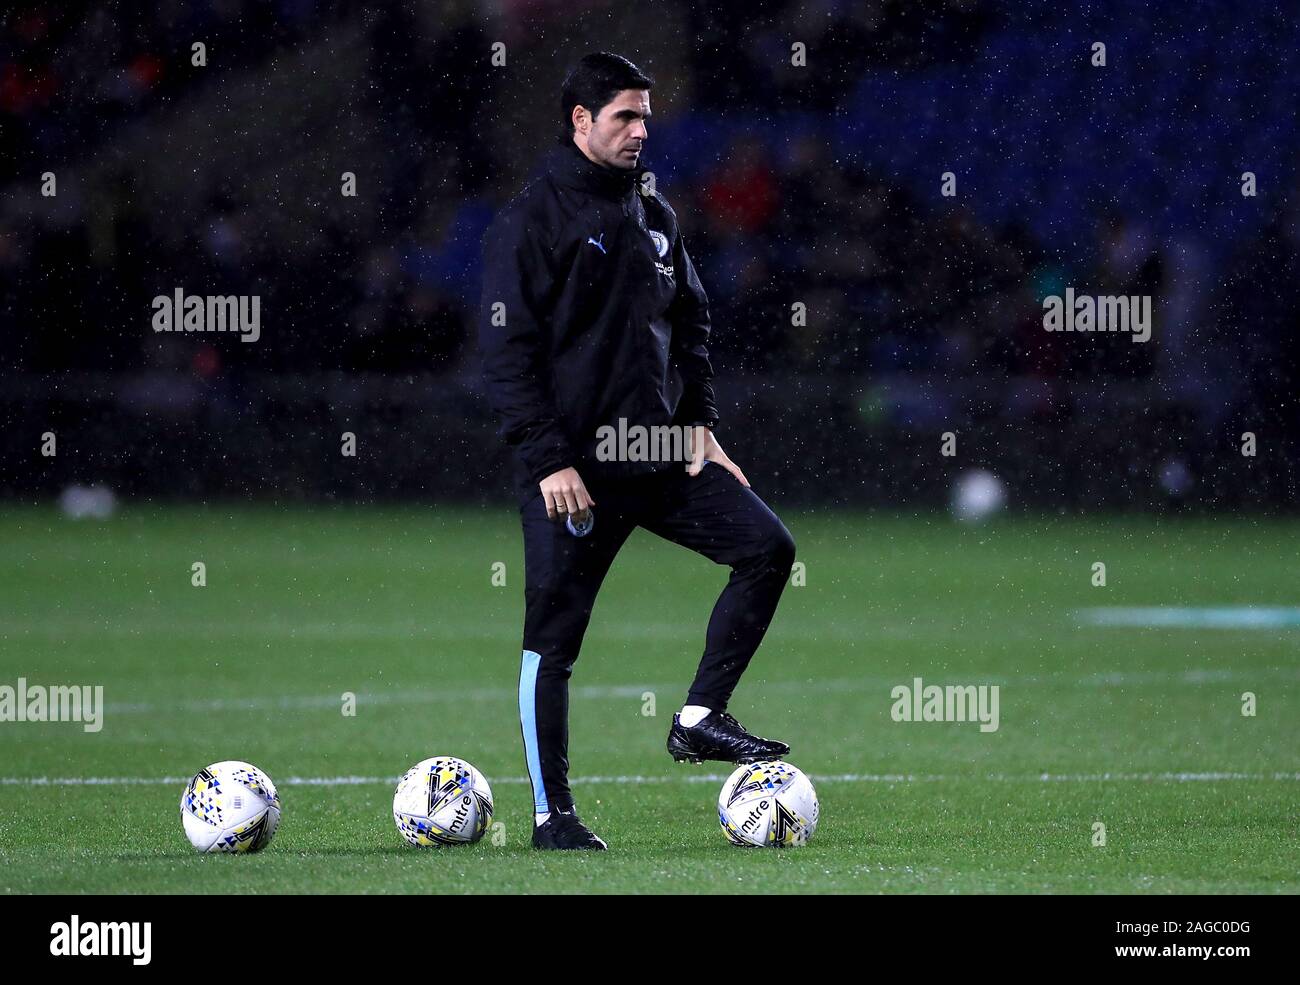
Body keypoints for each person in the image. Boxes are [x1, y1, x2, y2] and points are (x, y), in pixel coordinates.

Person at [479, 52, 795, 851]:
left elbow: (691, 323)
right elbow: (507, 353)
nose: (640, 130)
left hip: (656, 452)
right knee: (551, 644)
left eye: (646, 116)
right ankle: (555, 817)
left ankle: (698, 718)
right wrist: (549, 459)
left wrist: (700, 426)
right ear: (580, 120)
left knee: (767, 547)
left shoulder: (656, 214)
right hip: (573, 475)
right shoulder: (532, 219)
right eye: (624, 115)